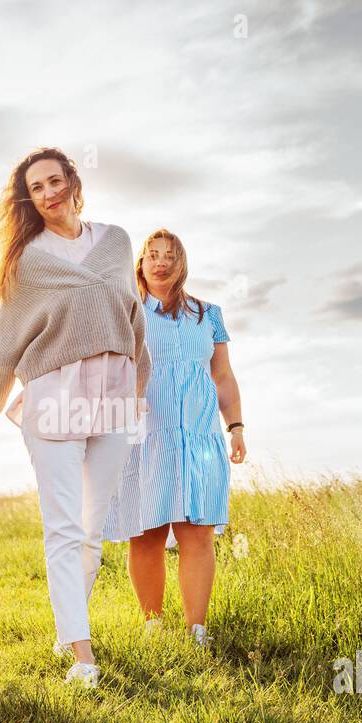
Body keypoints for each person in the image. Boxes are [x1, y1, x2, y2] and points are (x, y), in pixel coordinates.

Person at [0, 147, 150, 689]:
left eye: (55, 181)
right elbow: (7, 343)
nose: (49, 193)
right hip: (54, 398)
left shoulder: (115, 242)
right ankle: (83, 655)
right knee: (63, 528)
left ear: (72, 181)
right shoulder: (29, 262)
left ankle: (69, 627)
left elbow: (135, 323)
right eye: (37, 187)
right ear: (29, 199)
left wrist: (139, 392)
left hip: (112, 399)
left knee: (91, 531)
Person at [104, 228, 246, 645]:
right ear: (141, 264)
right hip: (143, 435)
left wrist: (235, 426)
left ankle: (196, 629)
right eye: (153, 255)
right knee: (145, 530)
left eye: (169, 255)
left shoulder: (208, 314)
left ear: (182, 263)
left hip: (199, 435)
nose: (161, 261)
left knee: (197, 531)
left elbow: (222, 375)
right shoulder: (127, 310)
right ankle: (152, 624)